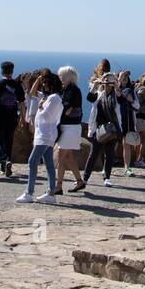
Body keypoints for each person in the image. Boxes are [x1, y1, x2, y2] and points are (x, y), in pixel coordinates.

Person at [17, 69, 61, 204]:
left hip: (46, 134)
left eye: (45, 83)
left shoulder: (55, 98)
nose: (43, 85)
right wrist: (39, 78)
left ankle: (29, 192)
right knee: (48, 164)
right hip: (41, 134)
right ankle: (51, 192)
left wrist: (41, 106)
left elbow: (47, 116)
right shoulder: (46, 97)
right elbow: (32, 93)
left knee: (32, 161)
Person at [0, 62, 26, 178]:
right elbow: (22, 104)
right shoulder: (17, 86)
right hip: (12, 118)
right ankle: (5, 167)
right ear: (12, 71)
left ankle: (5, 160)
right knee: (9, 142)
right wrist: (23, 118)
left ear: (2, 71)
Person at [84, 72, 122, 187]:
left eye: (110, 80)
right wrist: (95, 86)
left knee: (109, 154)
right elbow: (89, 98)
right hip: (99, 129)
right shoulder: (99, 94)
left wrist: (117, 87)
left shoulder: (116, 96)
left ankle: (107, 177)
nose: (107, 82)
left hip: (112, 128)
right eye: (106, 80)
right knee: (93, 154)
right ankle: (85, 178)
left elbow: (122, 100)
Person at [55, 65, 85, 194]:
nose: (59, 77)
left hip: (70, 127)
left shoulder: (73, 90)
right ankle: (79, 181)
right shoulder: (65, 90)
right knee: (68, 157)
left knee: (61, 156)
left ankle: (58, 185)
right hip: (68, 127)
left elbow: (67, 109)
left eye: (61, 75)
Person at [116, 68, 139, 176]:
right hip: (116, 120)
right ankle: (105, 167)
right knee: (110, 143)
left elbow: (137, 106)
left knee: (127, 144)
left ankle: (127, 168)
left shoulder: (131, 91)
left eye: (126, 77)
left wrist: (131, 100)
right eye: (122, 77)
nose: (124, 79)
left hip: (128, 120)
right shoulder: (114, 90)